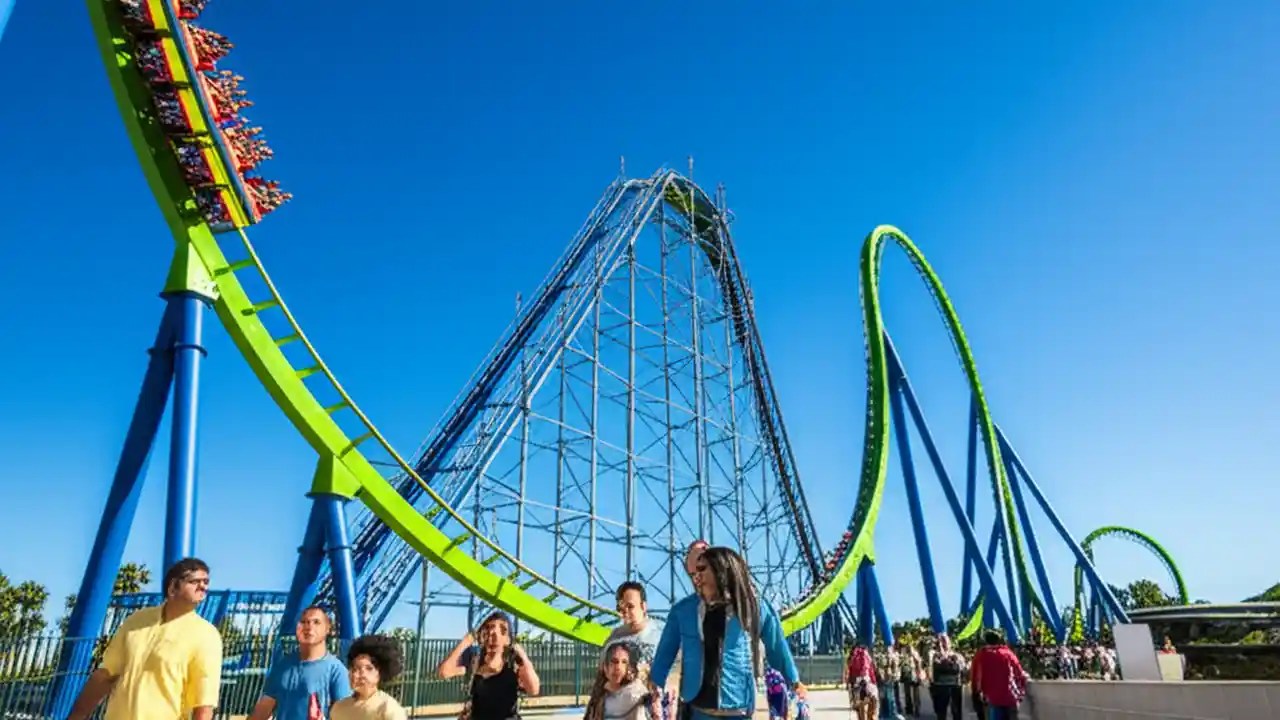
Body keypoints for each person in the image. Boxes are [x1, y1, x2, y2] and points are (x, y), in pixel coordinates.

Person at [649, 546, 806, 720]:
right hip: (697, 708)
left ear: (721, 570)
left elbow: (776, 647)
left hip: (738, 706)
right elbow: (665, 653)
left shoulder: (753, 607)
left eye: (702, 569)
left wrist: (794, 683)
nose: (696, 576)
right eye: (693, 572)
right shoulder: (682, 611)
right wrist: (656, 684)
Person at [67, 557, 223, 720]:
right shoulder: (136, 621)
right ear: (173, 587)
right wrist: (76, 716)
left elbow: (204, 702)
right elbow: (105, 675)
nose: (203, 587)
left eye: (206, 582)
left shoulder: (206, 635)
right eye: (195, 581)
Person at [247, 606, 351, 720]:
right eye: (303, 622)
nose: (309, 626)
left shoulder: (336, 671)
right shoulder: (282, 667)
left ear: (327, 629)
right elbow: (263, 709)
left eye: (316, 622)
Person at [437, 611, 540, 720]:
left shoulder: (512, 663)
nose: (494, 634)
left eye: (502, 630)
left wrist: (523, 656)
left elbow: (533, 689)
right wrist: (465, 642)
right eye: (489, 628)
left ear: (508, 639)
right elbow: (444, 672)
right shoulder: (475, 660)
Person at [584, 641, 658, 720]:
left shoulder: (634, 691)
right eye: (614, 661)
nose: (618, 667)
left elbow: (643, 695)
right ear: (605, 667)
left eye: (624, 662)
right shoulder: (599, 698)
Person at [971, 630, 1027, 720]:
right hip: (1011, 698)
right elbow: (1020, 674)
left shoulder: (981, 655)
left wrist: (977, 695)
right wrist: (1020, 694)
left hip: (992, 699)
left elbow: (977, 678)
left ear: (985, 641)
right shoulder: (1008, 654)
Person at [925, 634, 964, 720]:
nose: (942, 643)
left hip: (954, 686)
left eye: (944, 641)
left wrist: (950, 661)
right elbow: (931, 665)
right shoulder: (933, 654)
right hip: (940, 687)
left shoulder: (957, 655)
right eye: (940, 641)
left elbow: (960, 668)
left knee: (956, 712)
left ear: (950, 643)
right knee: (941, 712)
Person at [843, 644, 877, 720]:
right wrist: (874, 682)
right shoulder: (866, 655)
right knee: (872, 702)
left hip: (856, 685)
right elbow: (871, 671)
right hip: (868, 683)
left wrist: (848, 685)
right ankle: (871, 717)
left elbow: (847, 674)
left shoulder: (851, 658)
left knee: (859, 708)